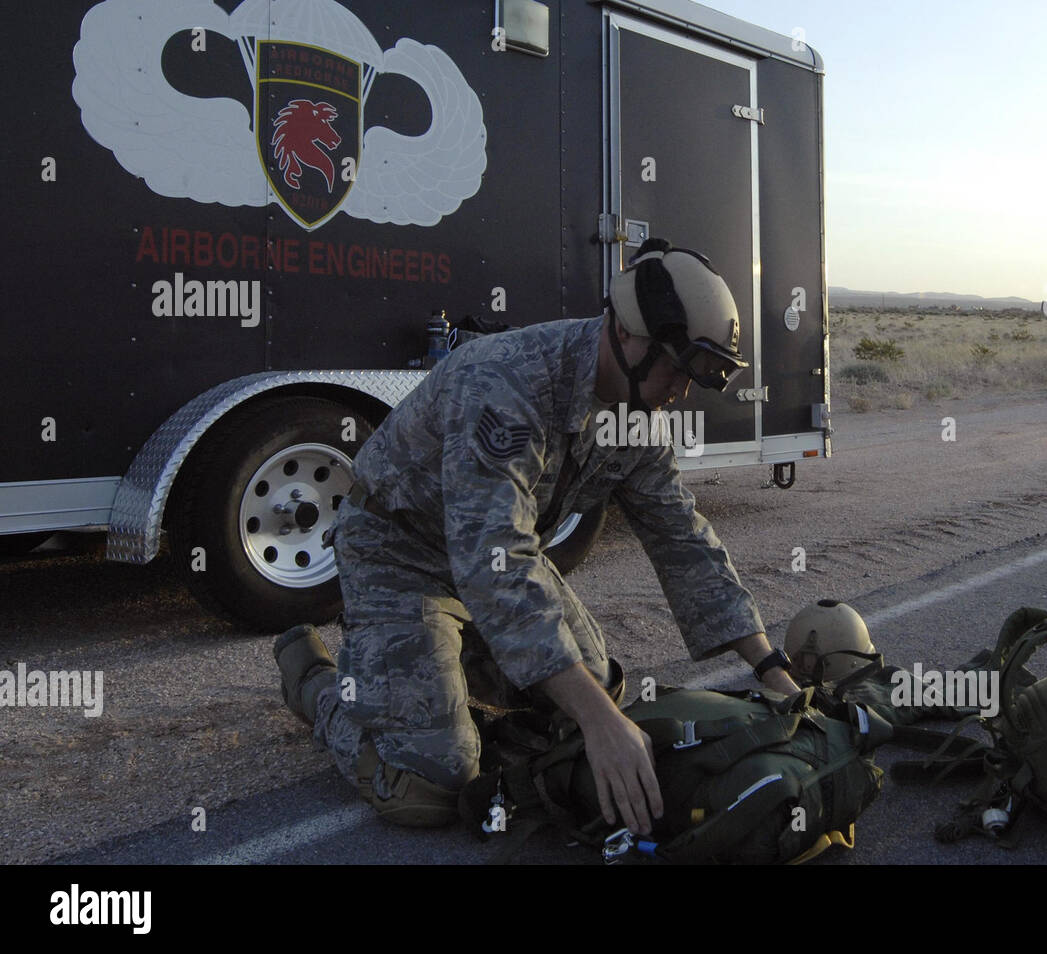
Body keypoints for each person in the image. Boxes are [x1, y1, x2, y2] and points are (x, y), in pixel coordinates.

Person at [274, 238, 800, 836]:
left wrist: (769, 665)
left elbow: (681, 536)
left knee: (597, 685)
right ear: (627, 336)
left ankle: (429, 668)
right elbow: (491, 564)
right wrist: (600, 723)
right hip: (400, 554)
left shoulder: (636, 415)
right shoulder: (506, 386)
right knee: (433, 782)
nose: (680, 390)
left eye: (695, 377)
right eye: (675, 369)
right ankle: (319, 685)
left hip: (495, 557)